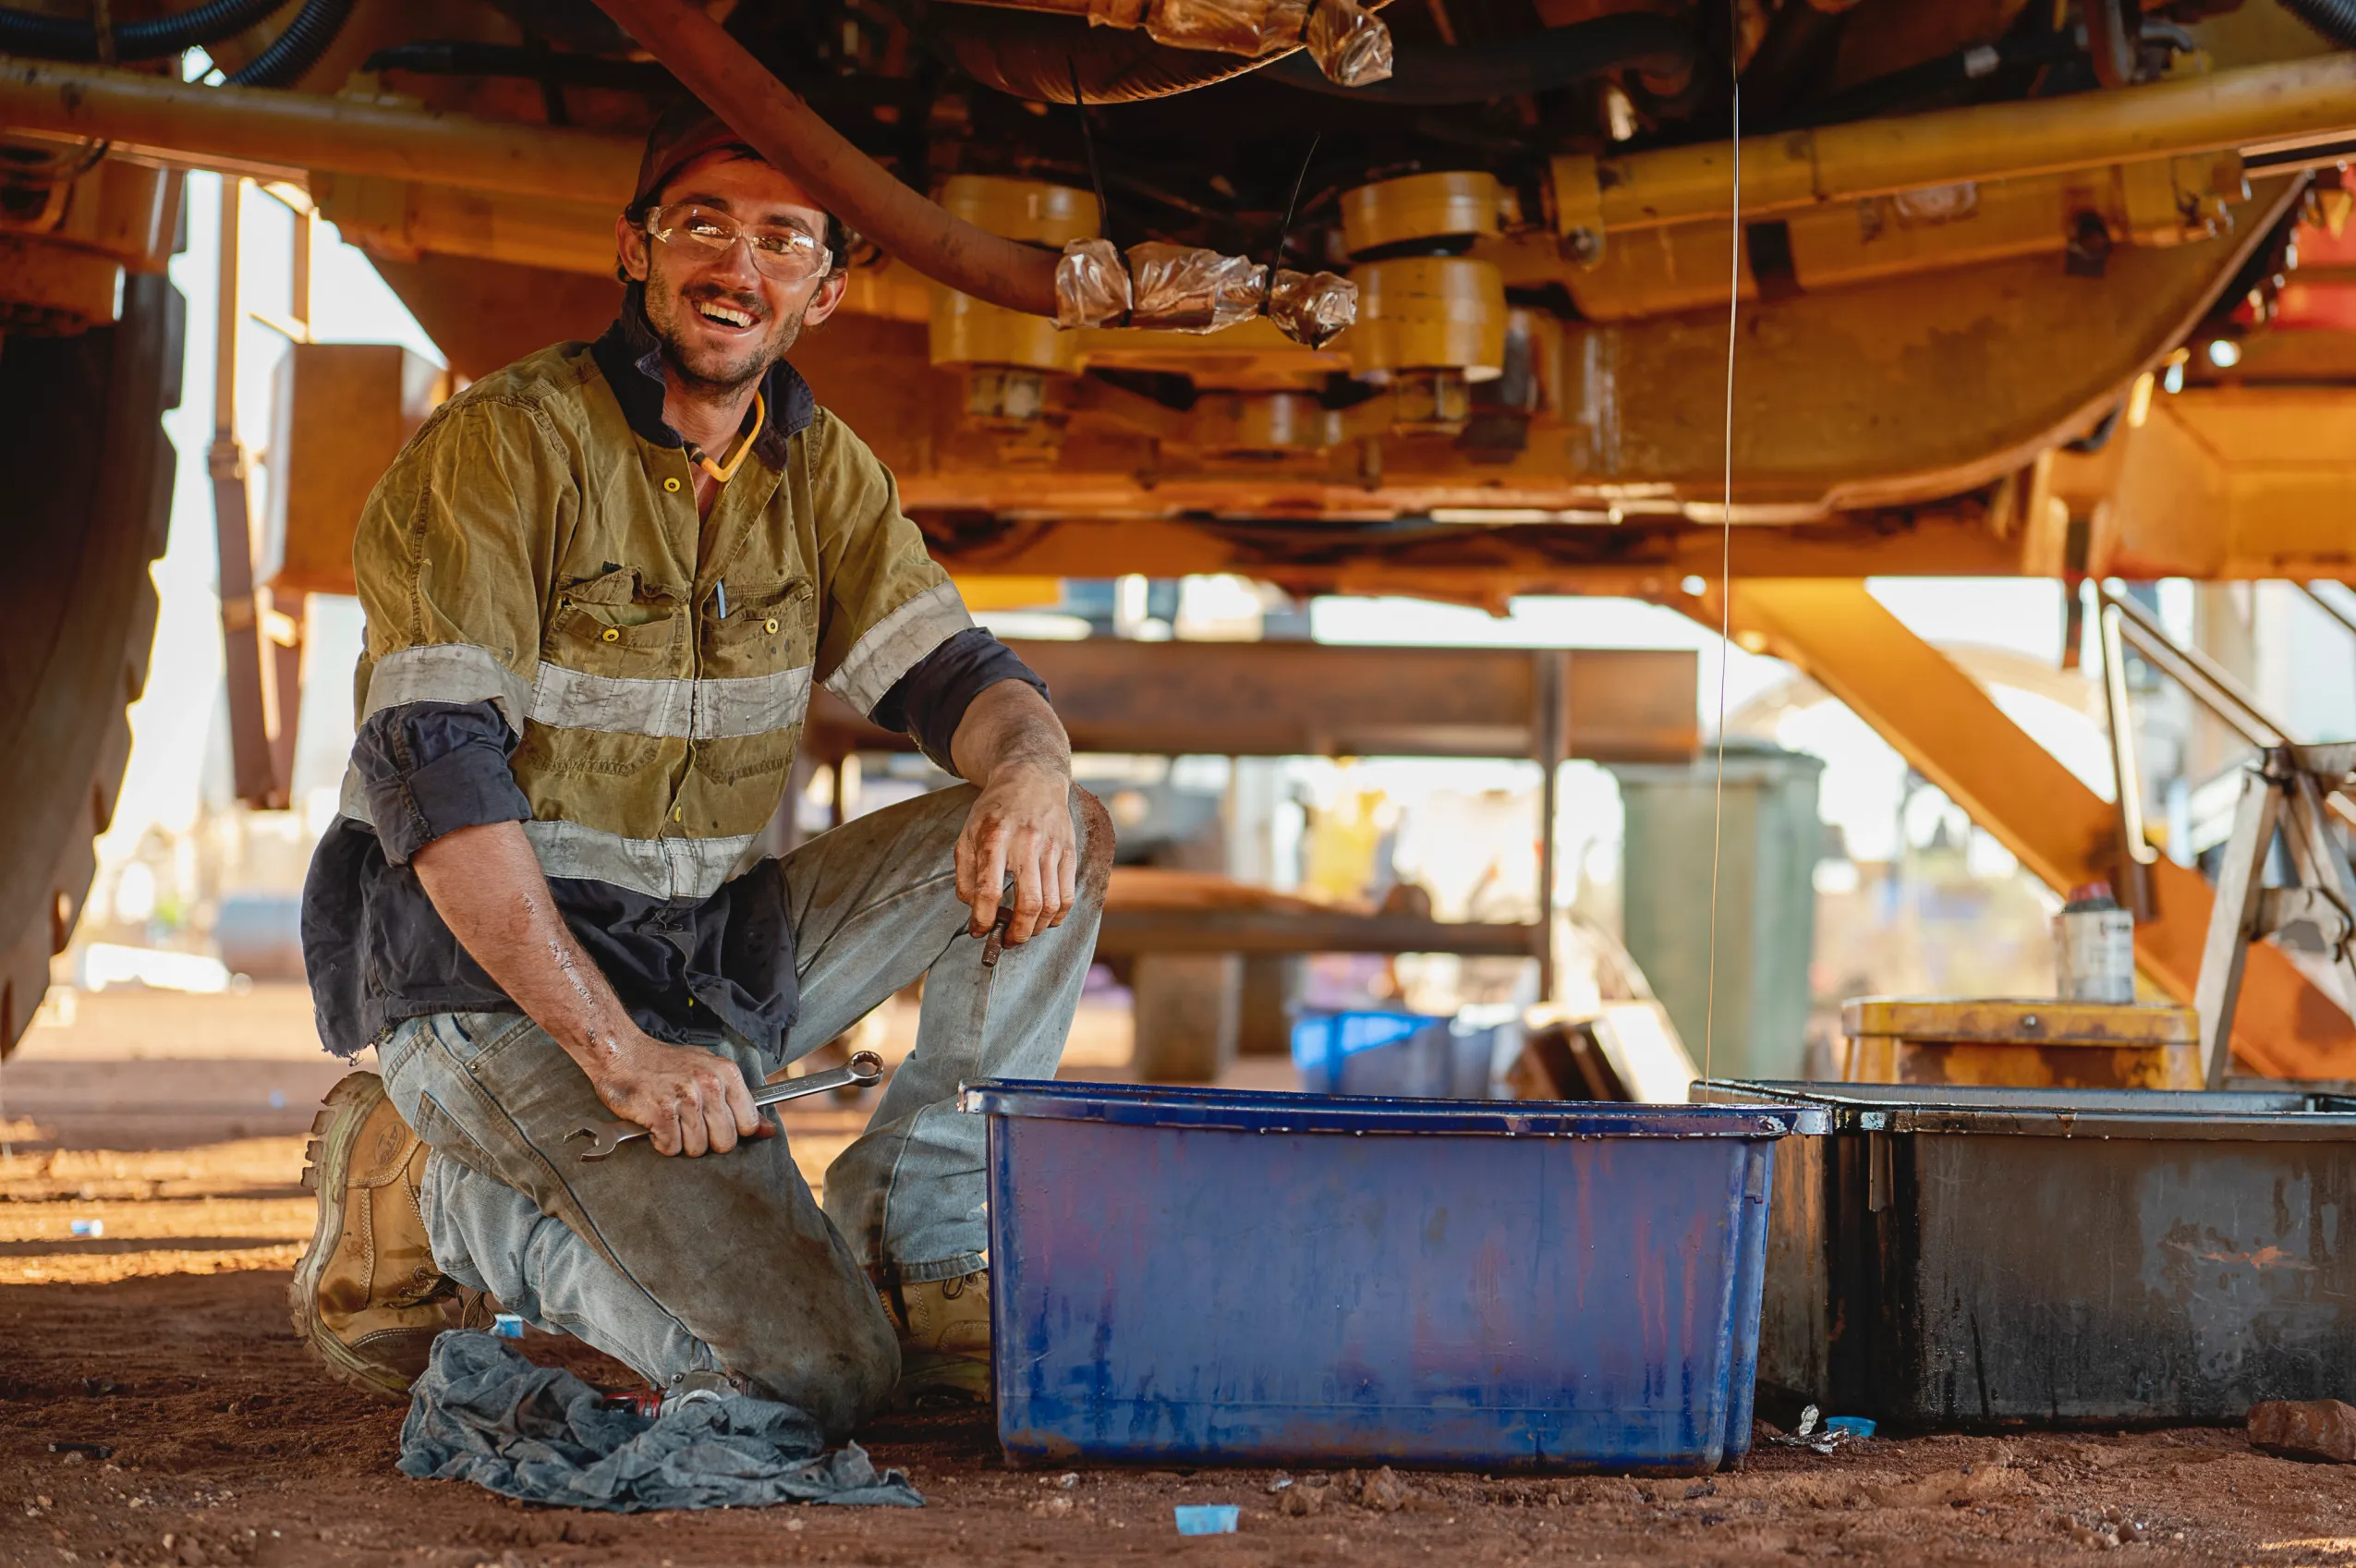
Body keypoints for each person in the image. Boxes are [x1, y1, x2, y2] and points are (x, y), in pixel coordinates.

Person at [285, 102, 1111, 1436]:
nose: (737, 266)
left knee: (1058, 822)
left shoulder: (819, 470)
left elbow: (959, 679)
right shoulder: (505, 445)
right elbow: (435, 775)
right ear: (637, 250)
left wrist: (1031, 769)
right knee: (813, 1381)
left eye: (782, 240)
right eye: (703, 227)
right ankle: (437, 1194)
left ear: (824, 291)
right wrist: (620, 1056)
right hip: (496, 984)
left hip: (705, 959)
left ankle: (921, 1245)